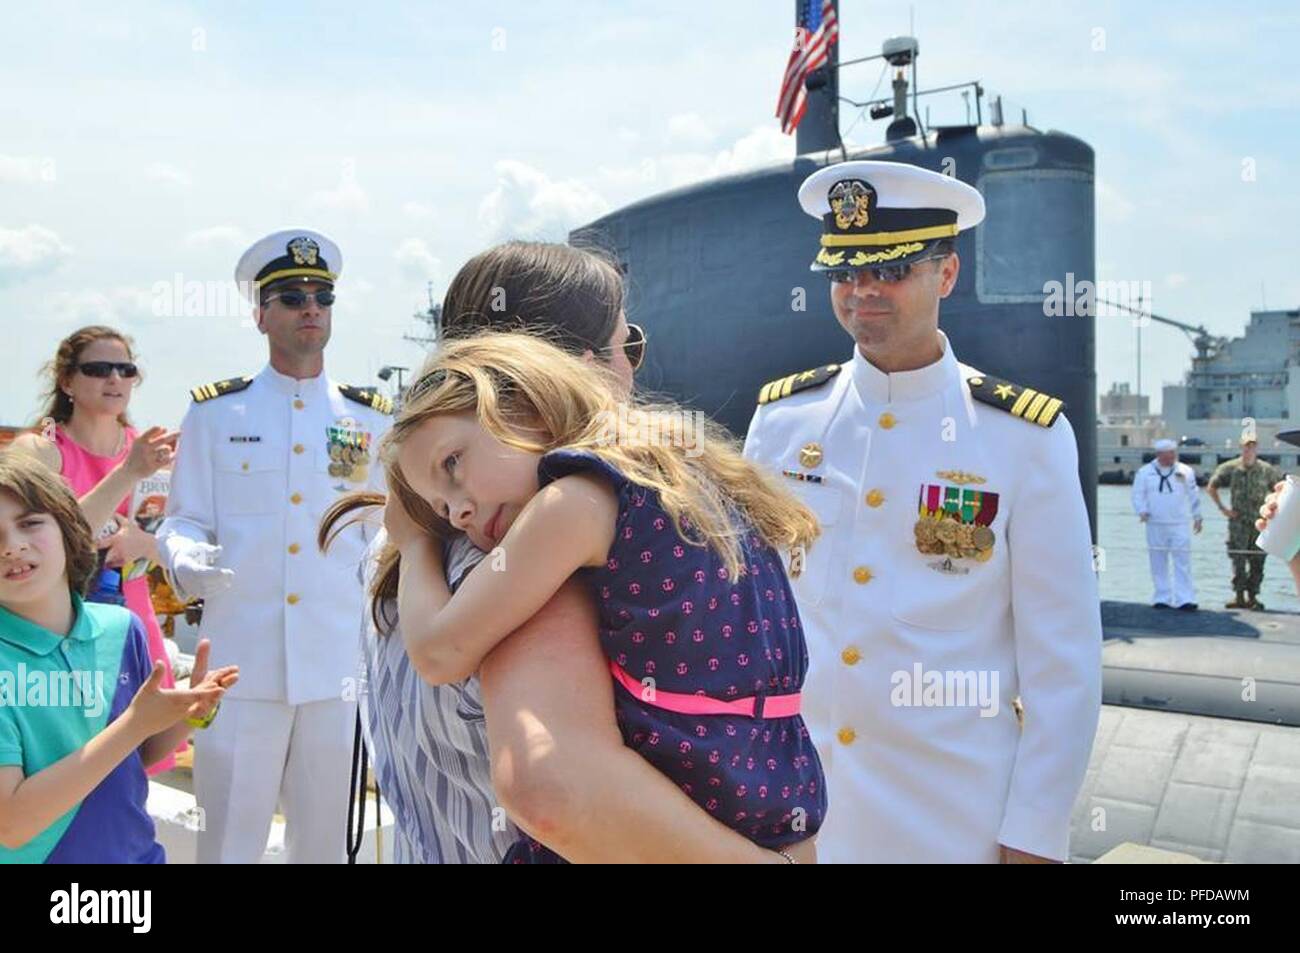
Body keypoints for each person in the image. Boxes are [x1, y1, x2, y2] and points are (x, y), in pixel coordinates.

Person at [323, 241, 775, 864]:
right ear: (574, 370)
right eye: (628, 346)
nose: (633, 370)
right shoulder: (530, 553)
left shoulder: (403, 546)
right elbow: (554, 790)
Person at [743, 160, 1103, 863]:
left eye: (892, 269)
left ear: (946, 273)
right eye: (843, 273)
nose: (862, 291)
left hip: (947, 824)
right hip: (793, 819)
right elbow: (758, 619)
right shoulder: (782, 422)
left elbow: (1064, 662)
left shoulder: (1022, 436)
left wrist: (1033, 835)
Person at [375, 331, 826, 862]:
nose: (456, 513)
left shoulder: (572, 503)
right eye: (438, 508)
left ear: (524, 403)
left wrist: (414, 541)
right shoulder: (692, 482)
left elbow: (439, 651)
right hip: (770, 816)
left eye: (452, 464)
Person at [156, 228, 391, 863]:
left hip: (336, 669)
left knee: (323, 849)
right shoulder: (217, 414)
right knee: (228, 845)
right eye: (290, 297)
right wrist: (182, 557)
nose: (310, 307)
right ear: (261, 315)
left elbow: (388, 530)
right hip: (240, 667)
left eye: (321, 296)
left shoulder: (368, 420)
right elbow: (183, 520)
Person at [0, 452, 234, 863]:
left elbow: (134, 755)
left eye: (30, 523)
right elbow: (13, 824)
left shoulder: (122, 629)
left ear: (69, 529)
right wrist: (134, 725)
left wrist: (190, 711)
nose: (12, 546)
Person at [9, 326, 183, 774]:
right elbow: (47, 541)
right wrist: (128, 473)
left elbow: (179, 546)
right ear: (67, 381)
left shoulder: (148, 450)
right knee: (65, 759)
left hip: (133, 625)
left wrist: (145, 543)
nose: (115, 380)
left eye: (126, 370)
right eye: (98, 369)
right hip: (59, 629)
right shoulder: (43, 450)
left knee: (135, 764)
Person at [1208, 433, 1284, 610]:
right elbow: (1212, 486)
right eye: (1246, 446)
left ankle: (1253, 597)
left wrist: (1273, 513)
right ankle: (1239, 596)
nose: (1249, 450)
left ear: (1257, 448)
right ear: (1241, 447)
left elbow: (1279, 491)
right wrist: (1223, 509)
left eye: (1252, 446)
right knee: (1238, 559)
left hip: (1259, 523)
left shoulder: (1266, 470)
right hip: (1238, 522)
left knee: (1258, 560)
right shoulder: (1231, 468)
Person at [1131, 438, 1202, 610]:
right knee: (1158, 561)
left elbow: (1193, 494)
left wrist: (1197, 517)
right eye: (1167, 455)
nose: (1171, 458)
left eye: (1173, 454)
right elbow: (1137, 494)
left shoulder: (1185, 471)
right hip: (1155, 523)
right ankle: (1162, 597)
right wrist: (1142, 510)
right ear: (1159, 455)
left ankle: (1185, 598)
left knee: (1182, 561)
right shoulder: (1145, 472)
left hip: (1179, 523)